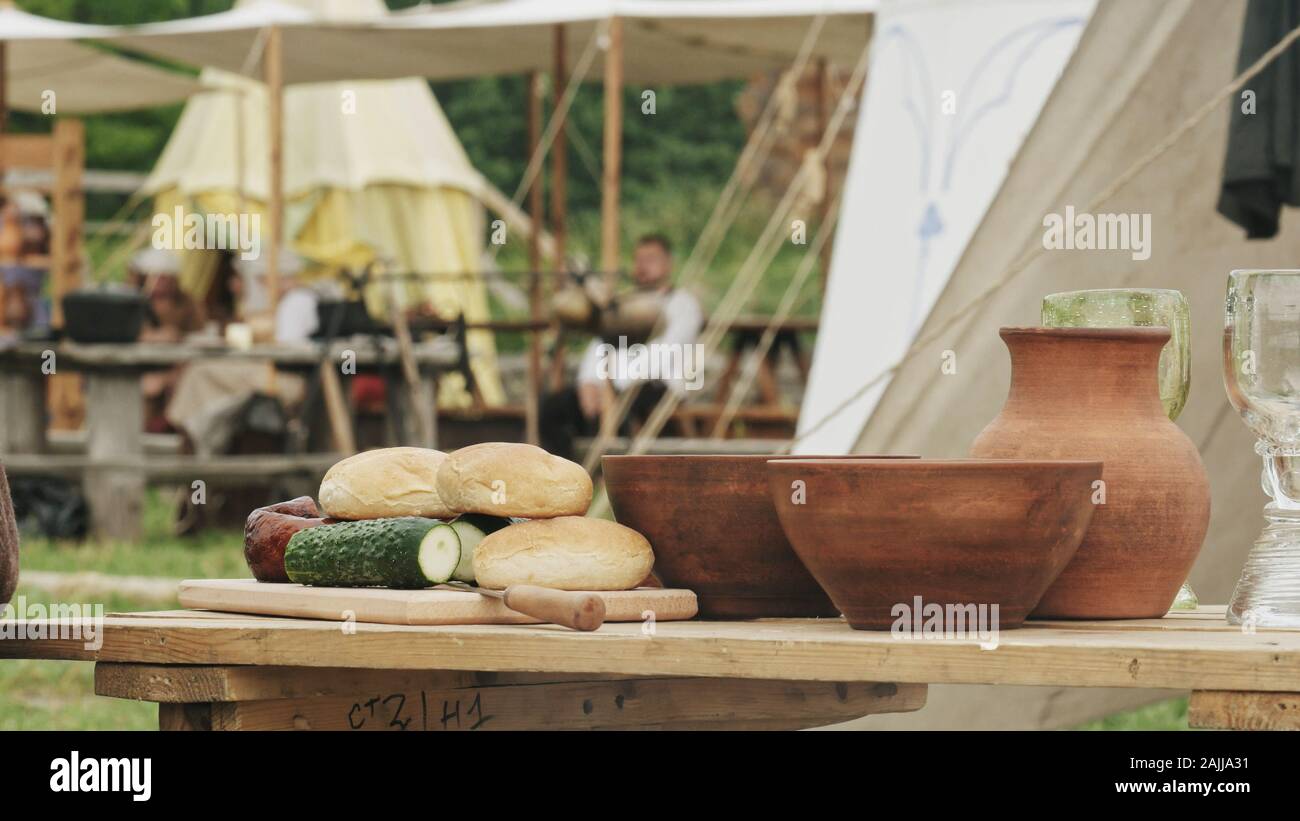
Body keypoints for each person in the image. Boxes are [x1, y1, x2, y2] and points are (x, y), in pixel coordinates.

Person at [541, 233, 703, 460]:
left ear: (668, 264)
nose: (643, 266)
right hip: (612, 384)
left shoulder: (683, 304)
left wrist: (613, 385)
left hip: (656, 386)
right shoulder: (626, 302)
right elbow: (601, 342)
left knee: (622, 407)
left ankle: (613, 469)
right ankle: (564, 469)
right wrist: (589, 381)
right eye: (639, 260)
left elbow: (666, 353)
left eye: (651, 259)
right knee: (554, 407)